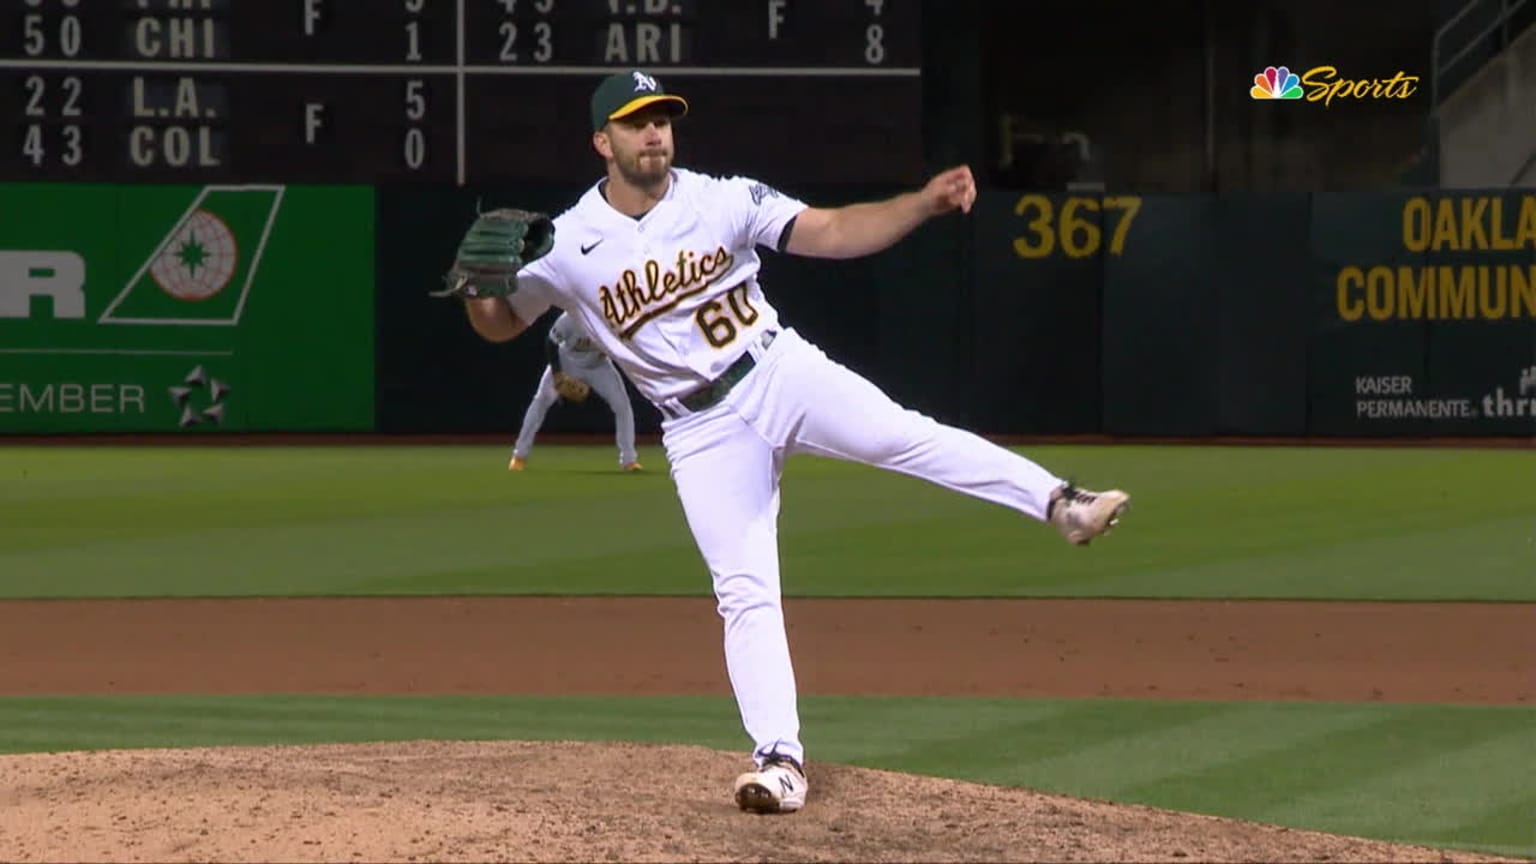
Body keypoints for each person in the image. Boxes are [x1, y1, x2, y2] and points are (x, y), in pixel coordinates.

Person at [456, 68, 1130, 814]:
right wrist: (479, 287)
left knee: (904, 436)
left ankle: (1061, 503)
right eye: (634, 121)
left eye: (662, 119)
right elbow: (500, 325)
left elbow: (834, 230)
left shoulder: (722, 197)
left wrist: (922, 203)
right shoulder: (568, 241)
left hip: (778, 369)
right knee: (743, 591)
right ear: (601, 140)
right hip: (699, 427)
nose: (654, 132)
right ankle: (780, 761)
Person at [508, 310, 642, 472]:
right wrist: (557, 374)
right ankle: (519, 456)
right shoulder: (570, 317)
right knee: (541, 400)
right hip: (567, 362)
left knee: (622, 405)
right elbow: (551, 342)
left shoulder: (613, 320)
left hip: (598, 366)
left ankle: (629, 460)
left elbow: (624, 347)